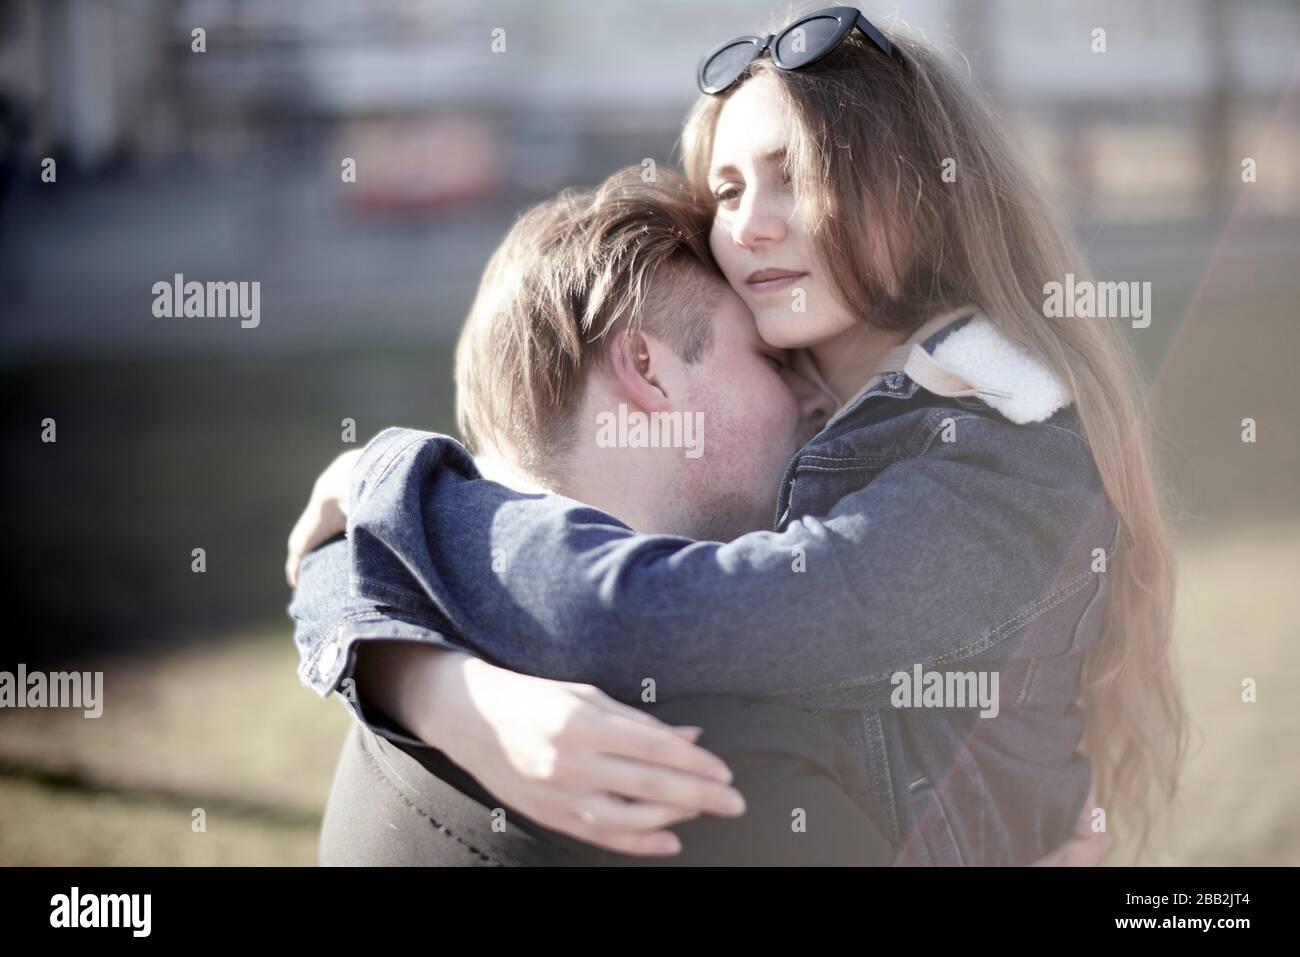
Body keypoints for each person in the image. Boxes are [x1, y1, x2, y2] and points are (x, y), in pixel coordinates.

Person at [291, 7, 1180, 865]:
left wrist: (397, 488)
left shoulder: (1007, 461)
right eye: (727, 188)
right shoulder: (840, 414)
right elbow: (445, 534)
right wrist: (425, 679)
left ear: (922, 188)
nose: (749, 223)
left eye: (794, 173)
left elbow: (660, 616)